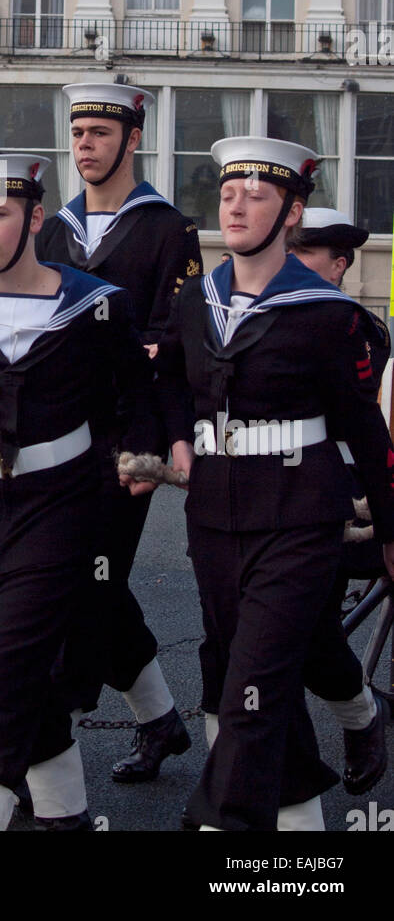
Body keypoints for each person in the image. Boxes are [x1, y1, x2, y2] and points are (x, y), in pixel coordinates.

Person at [0, 152, 164, 829]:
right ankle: (66, 813)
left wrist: (143, 453)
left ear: (35, 218)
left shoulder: (96, 306)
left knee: (8, 671)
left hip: (62, 506)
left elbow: (138, 396)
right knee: (16, 668)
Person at [145, 136, 394, 831]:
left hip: (299, 514)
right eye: (227, 194)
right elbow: (166, 379)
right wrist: (172, 437)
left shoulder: (326, 312)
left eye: (257, 195)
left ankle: (216, 821)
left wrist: (393, 532)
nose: (237, 206)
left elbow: (366, 434)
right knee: (250, 678)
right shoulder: (198, 300)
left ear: (291, 212)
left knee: (250, 689)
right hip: (217, 513)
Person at [37, 83, 201, 782]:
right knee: (85, 578)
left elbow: (178, 339)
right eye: (77, 133)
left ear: (132, 139)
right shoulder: (52, 230)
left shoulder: (167, 229)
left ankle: (52, 738)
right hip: (56, 434)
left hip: (128, 437)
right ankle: (161, 721)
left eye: (100, 133)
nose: (85, 146)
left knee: (89, 581)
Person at [288, 207, 391, 793]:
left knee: (306, 634)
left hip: (345, 502)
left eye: (306, 255)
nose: (292, 265)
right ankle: (236, 784)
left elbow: (367, 437)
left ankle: (360, 715)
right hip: (260, 500)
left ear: (339, 263)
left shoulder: (355, 328)